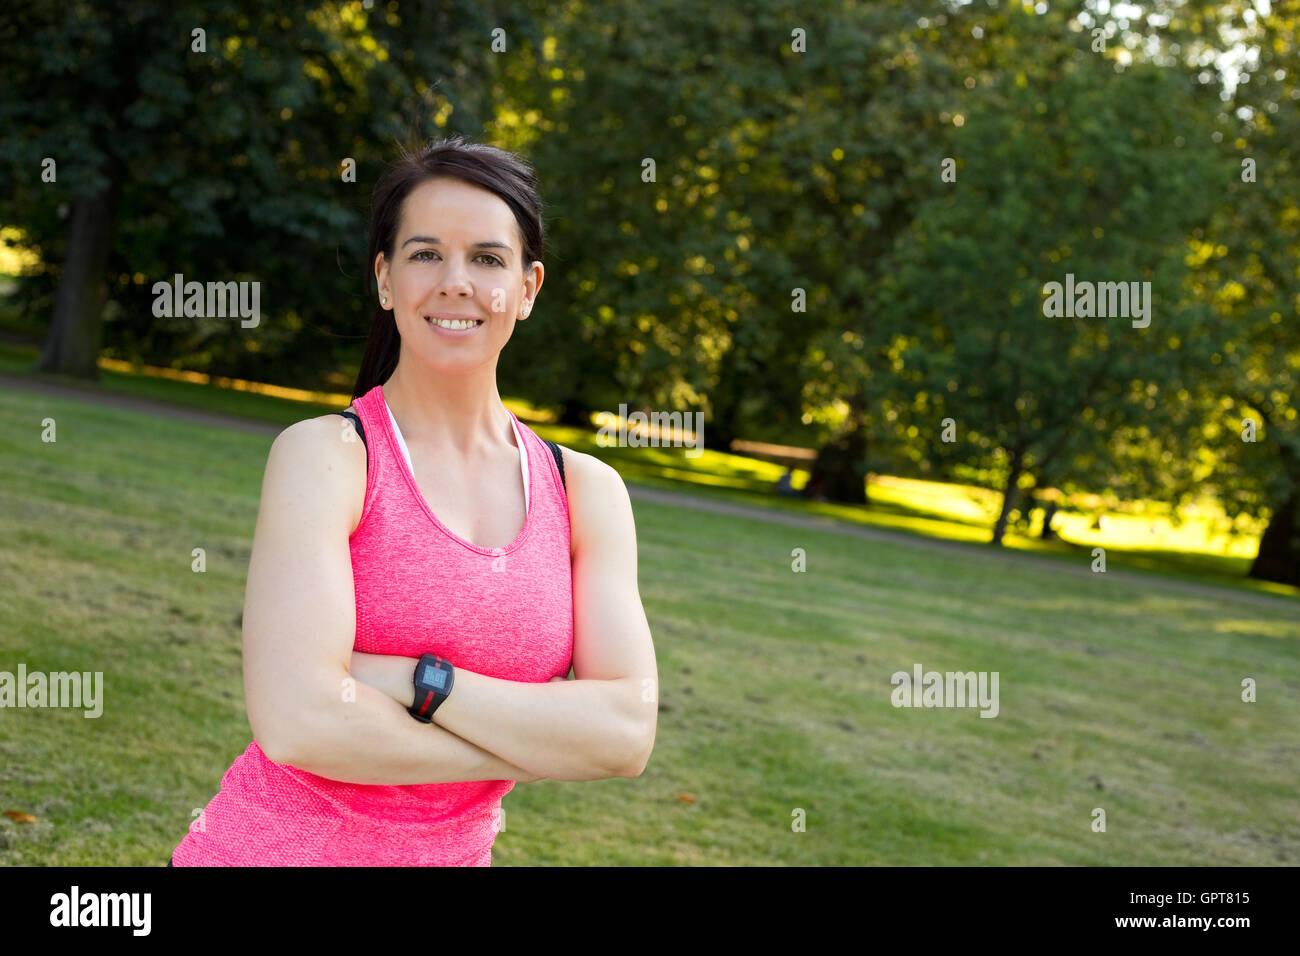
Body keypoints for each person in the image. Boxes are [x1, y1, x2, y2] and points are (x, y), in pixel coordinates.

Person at [168, 135, 658, 866]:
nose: (454, 282)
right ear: (385, 279)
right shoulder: (328, 458)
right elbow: (302, 722)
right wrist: (528, 747)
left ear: (527, 289)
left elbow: (624, 732)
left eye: (488, 258)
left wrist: (422, 684)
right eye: (425, 253)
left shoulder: (585, 493)